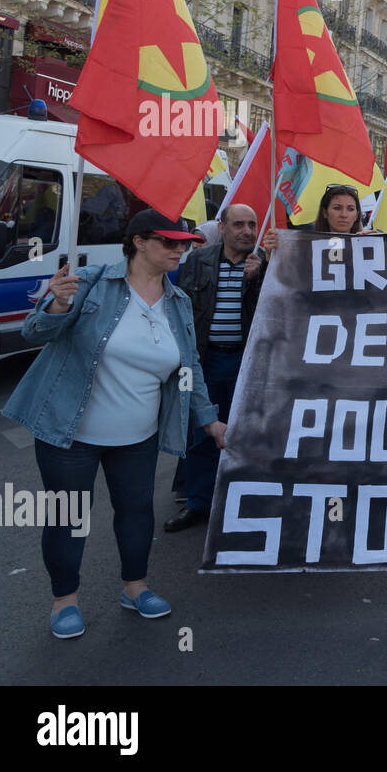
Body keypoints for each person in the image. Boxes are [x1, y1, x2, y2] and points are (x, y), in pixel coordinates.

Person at [2, 210, 225, 639]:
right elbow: (34, 331)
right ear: (139, 242)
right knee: (69, 518)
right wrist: (58, 303)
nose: (179, 250)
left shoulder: (178, 304)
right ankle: (64, 601)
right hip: (70, 433)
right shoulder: (91, 282)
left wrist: (210, 420)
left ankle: (134, 588)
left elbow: (188, 367)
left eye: (184, 244)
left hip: (138, 437)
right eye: (169, 242)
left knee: (137, 514)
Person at [164, 204, 268, 532]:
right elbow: (182, 309)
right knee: (202, 433)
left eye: (252, 224)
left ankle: (245, 502)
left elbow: (277, 312)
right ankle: (199, 503)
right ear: (221, 228)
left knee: (251, 432)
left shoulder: (267, 261)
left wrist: (256, 279)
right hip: (205, 360)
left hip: (248, 362)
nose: (247, 231)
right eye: (239, 224)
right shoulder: (198, 260)